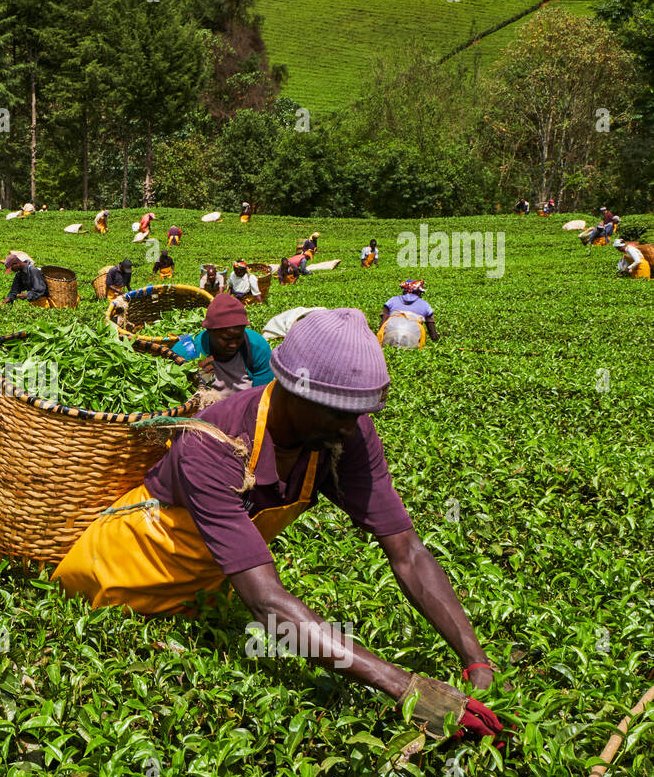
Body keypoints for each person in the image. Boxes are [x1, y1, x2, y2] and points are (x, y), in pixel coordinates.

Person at [52, 308, 502, 743]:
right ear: (292, 390)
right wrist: (407, 689)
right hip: (119, 581)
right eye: (339, 413)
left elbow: (406, 551)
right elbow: (267, 601)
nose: (353, 427)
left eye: (359, 413)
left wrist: (476, 664)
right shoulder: (216, 441)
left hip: (208, 589)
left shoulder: (344, 433)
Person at [172, 294, 273, 400]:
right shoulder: (186, 351)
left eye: (238, 337)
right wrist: (193, 377)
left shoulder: (256, 347)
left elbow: (261, 397)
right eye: (226, 339)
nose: (233, 344)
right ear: (209, 331)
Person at [378, 280, 439, 348]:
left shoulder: (392, 300)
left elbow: (383, 323)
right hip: (412, 335)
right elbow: (432, 334)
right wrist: (436, 339)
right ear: (419, 293)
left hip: (390, 333)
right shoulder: (425, 305)